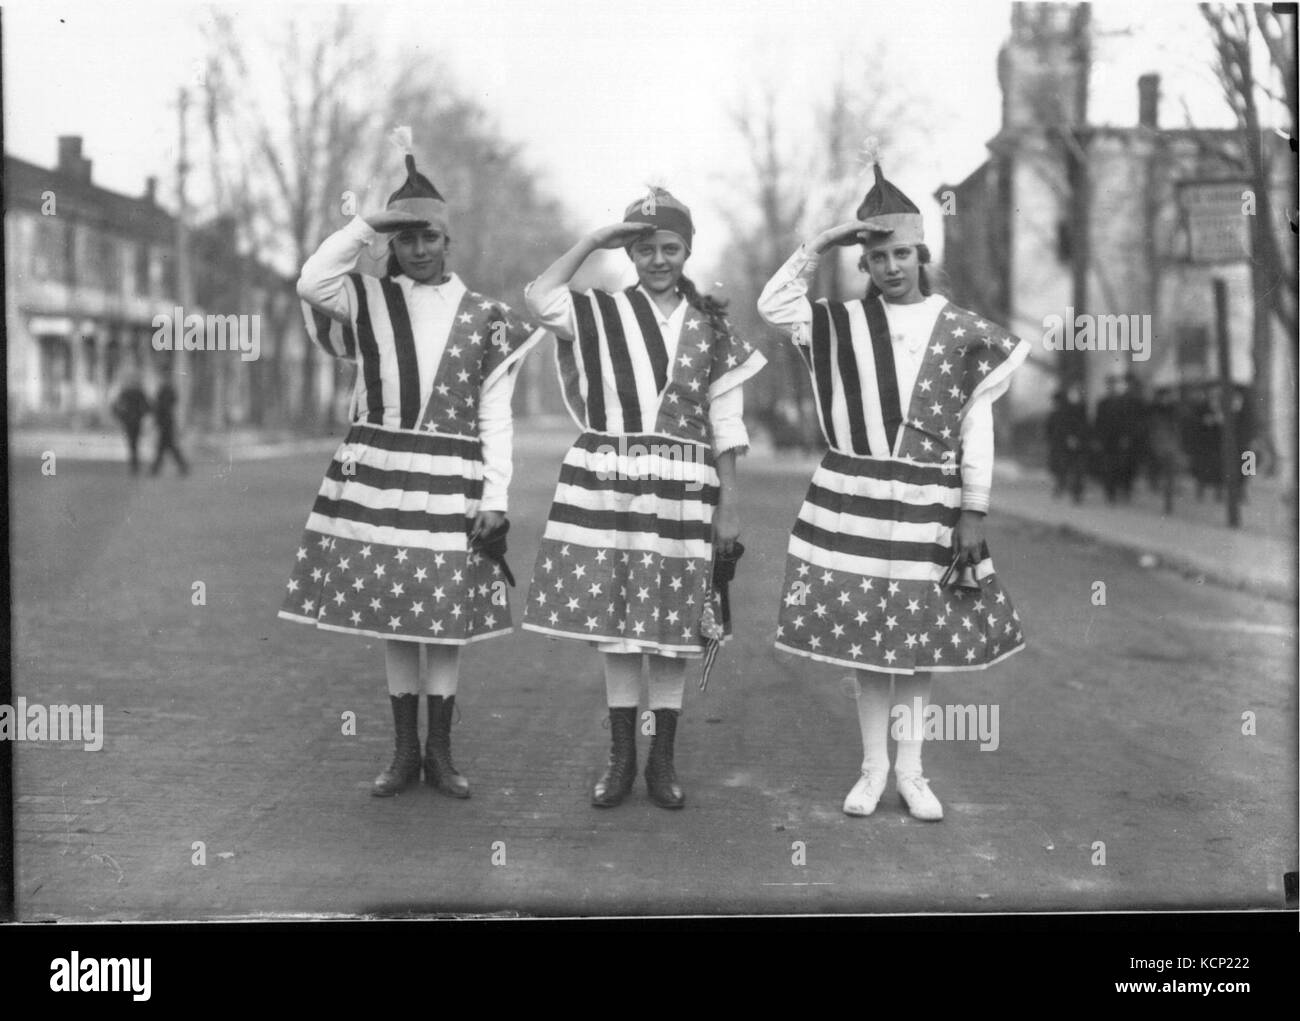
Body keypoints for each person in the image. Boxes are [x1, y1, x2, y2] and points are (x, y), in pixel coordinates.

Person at [758, 153, 1030, 822]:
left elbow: (978, 429)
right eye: (877, 256)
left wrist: (974, 510)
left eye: (903, 253)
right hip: (853, 498)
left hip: (928, 505)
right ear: (863, 261)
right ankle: (872, 768)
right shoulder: (840, 323)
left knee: (914, 645)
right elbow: (772, 304)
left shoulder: (962, 331)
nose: (891, 267)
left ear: (922, 252)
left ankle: (912, 771)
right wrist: (820, 243)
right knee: (865, 643)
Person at [280, 128, 544, 800]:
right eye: (407, 238)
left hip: (451, 480)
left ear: (447, 242)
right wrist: (366, 224)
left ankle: (441, 753)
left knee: (444, 617)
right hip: (379, 477)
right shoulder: (365, 297)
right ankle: (402, 753)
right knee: (395, 613)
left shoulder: (488, 318)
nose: (419, 249)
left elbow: (495, 417)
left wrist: (496, 497)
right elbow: (311, 278)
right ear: (392, 243)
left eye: (429, 236)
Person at [521, 187, 766, 810]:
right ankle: (621, 758)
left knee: (674, 627)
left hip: (685, 487)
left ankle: (662, 761)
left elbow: (727, 426)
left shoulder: (711, 327)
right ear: (630, 251)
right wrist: (592, 242)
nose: (658, 259)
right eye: (646, 247)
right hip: (610, 482)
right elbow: (536, 298)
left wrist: (729, 506)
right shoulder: (598, 311)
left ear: (687, 250)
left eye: (671, 248)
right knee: (619, 625)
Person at [1046, 382, 1089, 503]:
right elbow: (1056, 429)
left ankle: (1076, 492)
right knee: (1064, 469)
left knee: (1077, 470)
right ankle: (1067, 488)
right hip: (1063, 445)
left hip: (1078, 444)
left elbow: (1084, 426)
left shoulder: (1081, 409)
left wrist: (1078, 439)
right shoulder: (1063, 411)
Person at [111, 369, 151, 475]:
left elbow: (115, 406)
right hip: (135, 420)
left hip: (129, 421)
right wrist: (141, 414)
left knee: (132, 443)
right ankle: (135, 464)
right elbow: (147, 406)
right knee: (134, 443)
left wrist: (121, 416)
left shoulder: (127, 392)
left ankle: (134, 464)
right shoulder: (138, 392)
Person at [150, 374, 189, 476]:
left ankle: (155, 468)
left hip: (166, 423)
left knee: (164, 447)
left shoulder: (166, 392)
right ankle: (182, 466)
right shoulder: (165, 391)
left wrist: (158, 420)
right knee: (167, 447)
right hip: (166, 422)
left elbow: (161, 407)